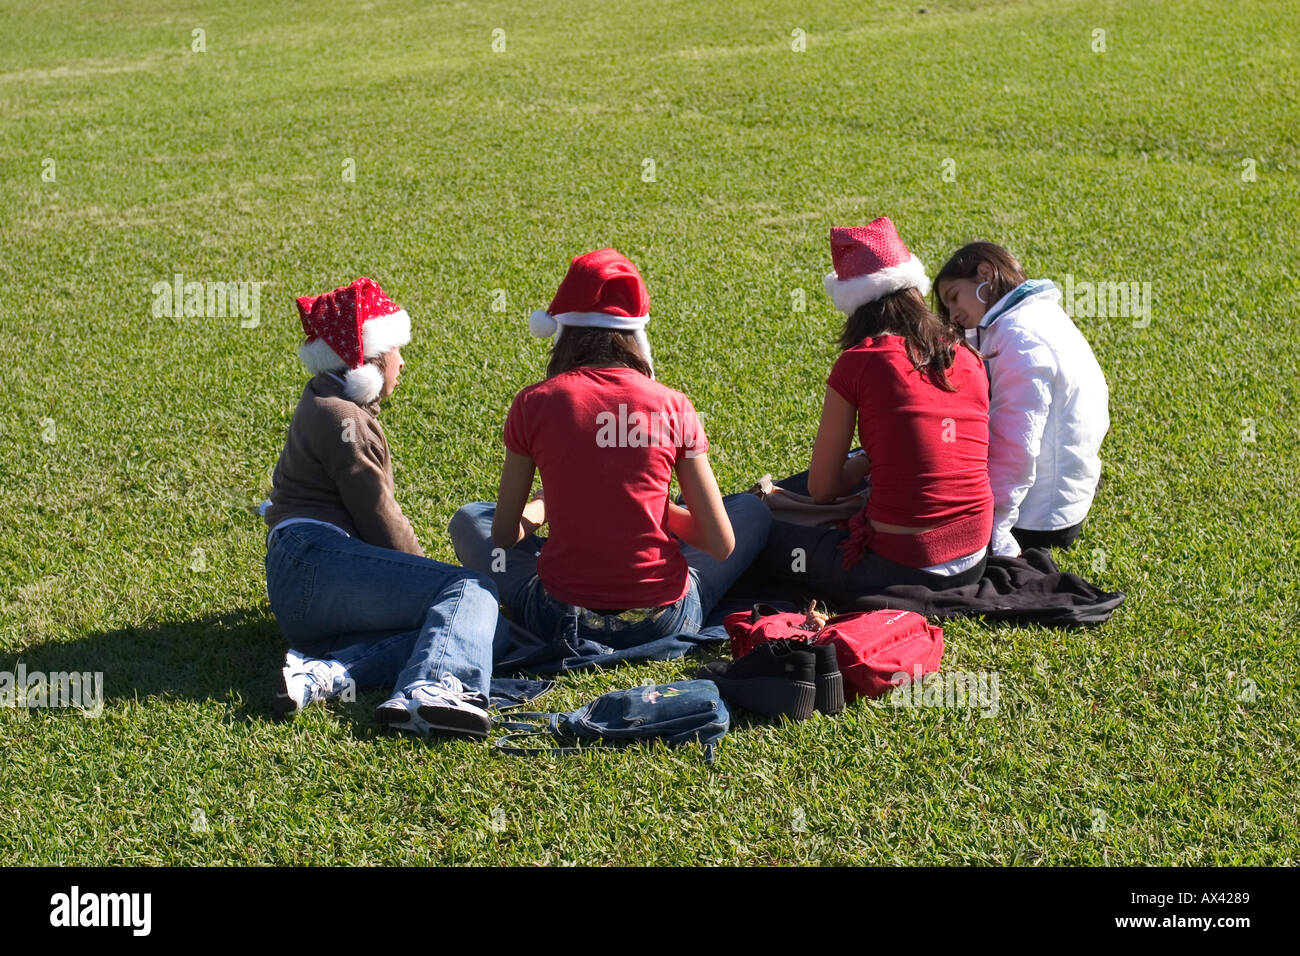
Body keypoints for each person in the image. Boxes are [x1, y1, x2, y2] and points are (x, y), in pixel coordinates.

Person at [449, 248, 772, 648]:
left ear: (563, 332)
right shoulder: (673, 405)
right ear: (637, 337)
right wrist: (645, 505)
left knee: (470, 519)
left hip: (559, 617)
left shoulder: (534, 403)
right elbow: (720, 543)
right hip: (661, 619)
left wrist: (548, 504)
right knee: (751, 508)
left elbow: (502, 533)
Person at [263, 277, 500, 739]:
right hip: (313, 562)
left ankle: (324, 672)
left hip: (302, 585)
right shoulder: (344, 418)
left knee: (467, 628)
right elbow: (379, 517)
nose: (403, 361)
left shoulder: (323, 399)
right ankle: (432, 690)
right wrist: (430, 579)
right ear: (368, 359)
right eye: (395, 349)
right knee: (469, 592)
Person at [754, 218, 993, 603]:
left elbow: (823, 489)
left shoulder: (861, 361)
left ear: (855, 305)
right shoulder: (968, 357)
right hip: (974, 558)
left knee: (750, 526)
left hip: (899, 564)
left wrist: (865, 461)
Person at [933, 242, 1109, 556]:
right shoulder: (1043, 316)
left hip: (1037, 521)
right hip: (1066, 502)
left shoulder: (1019, 335)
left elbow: (1016, 446)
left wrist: (994, 529)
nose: (954, 315)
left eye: (954, 297)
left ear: (985, 274)